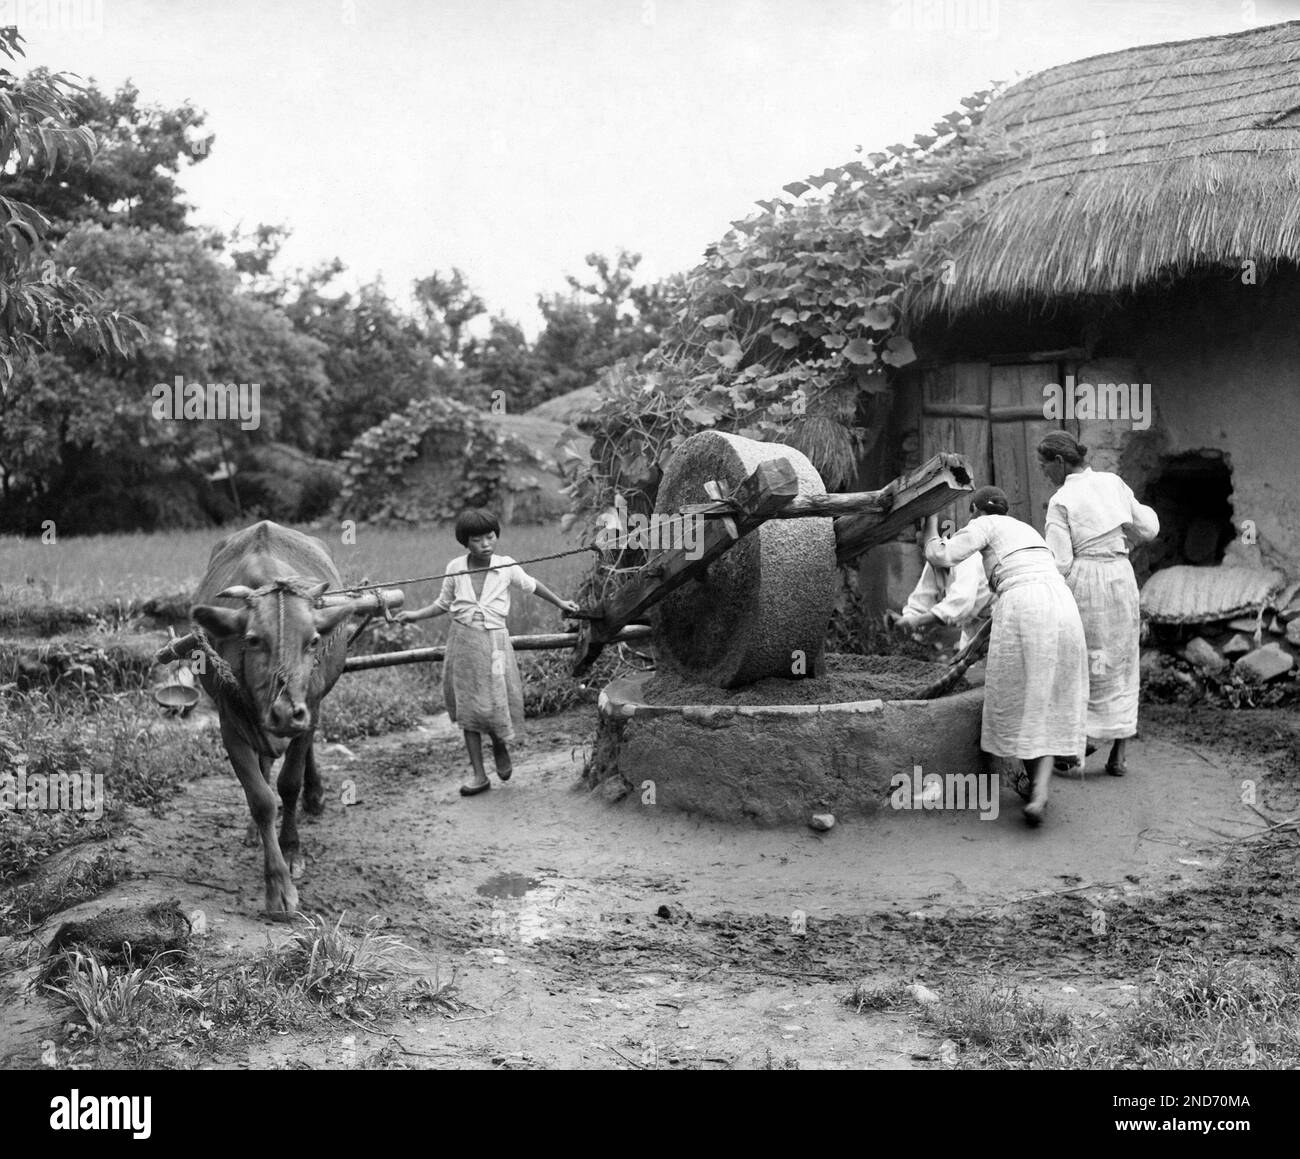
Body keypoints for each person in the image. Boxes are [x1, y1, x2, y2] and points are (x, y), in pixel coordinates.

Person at [922, 486, 1088, 826]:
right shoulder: (1027, 531)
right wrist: (973, 647)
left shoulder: (984, 524)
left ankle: (1033, 786)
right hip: (1062, 604)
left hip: (1026, 604)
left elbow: (942, 556)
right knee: (1045, 698)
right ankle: (1038, 791)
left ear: (974, 510)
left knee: (1021, 695)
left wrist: (930, 523)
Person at [395, 509, 580, 796]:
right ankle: (479, 775)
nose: (485, 543)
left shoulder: (506, 566)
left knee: (494, 699)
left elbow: (533, 586)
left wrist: (561, 603)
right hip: (463, 645)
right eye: (477, 539)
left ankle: (499, 746)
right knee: (468, 705)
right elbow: (443, 603)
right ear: (465, 542)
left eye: (490, 536)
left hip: (495, 646)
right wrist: (414, 615)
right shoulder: (455, 567)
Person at [1038, 431, 1159, 778]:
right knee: (1121, 660)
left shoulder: (1061, 501)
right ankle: (1118, 753)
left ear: (1060, 462)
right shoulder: (1113, 483)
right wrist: (1122, 531)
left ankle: (1080, 745)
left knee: (1087, 662)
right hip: (1121, 578)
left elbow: (1060, 562)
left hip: (1086, 582)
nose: (1045, 473)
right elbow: (1149, 529)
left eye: (1045, 466)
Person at [886, 522, 993, 652]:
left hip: (998, 623)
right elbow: (922, 598)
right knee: (970, 671)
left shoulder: (967, 557)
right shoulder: (935, 561)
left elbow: (961, 602)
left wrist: (917, 621)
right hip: (973, 628)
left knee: (1000, 669)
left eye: (925, 547)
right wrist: (906, 620)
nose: (924, 553)